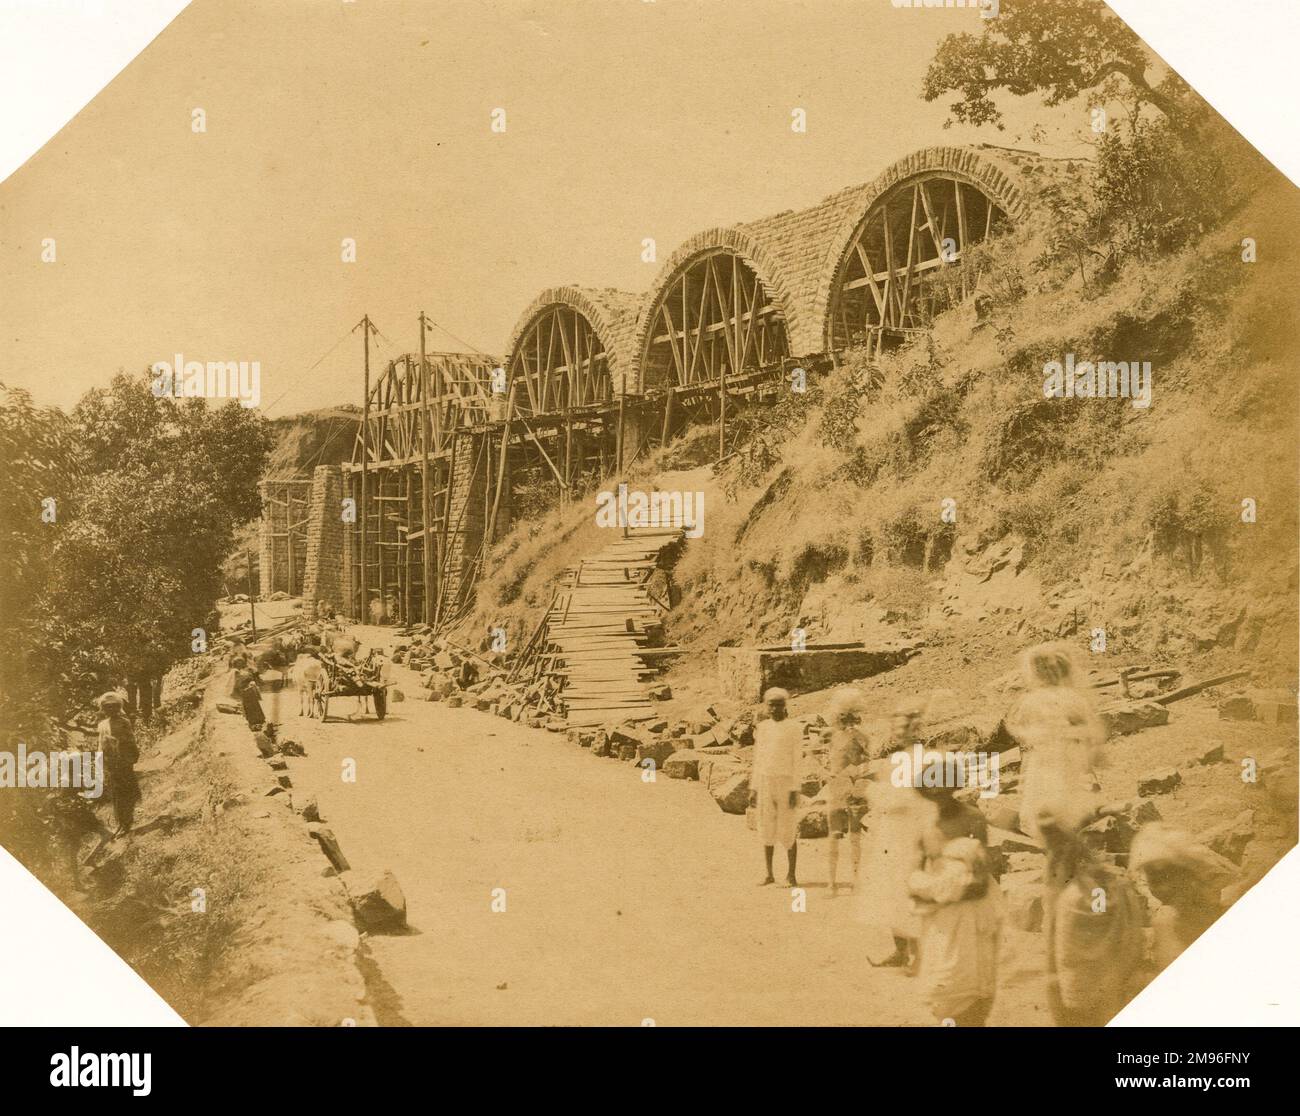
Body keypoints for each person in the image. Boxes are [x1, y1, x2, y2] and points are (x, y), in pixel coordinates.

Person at [907, 777, 1003, 1026]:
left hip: (974, 908)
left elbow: (982, 877)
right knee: (943, 983)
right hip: (940, 913)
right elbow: (913, 872)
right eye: (930, 792)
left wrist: (951, 890)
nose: (937, 796)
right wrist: (931, 889)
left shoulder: (973, 817)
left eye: (943, 790)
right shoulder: (923, 823)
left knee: (973, 981)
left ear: (952, 788)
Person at [1130, 823, 1233, 973]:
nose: (1161, 888)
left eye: (1169, 875)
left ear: (1192, 873)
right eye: (1153, 878)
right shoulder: (1164, 923)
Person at [749, 687, 802, 887]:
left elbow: (797, 760)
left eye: (779, 705)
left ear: (785, 706)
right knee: (766, 827)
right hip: (765, 782)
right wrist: (754, 788)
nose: (775, 709)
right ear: (766, 707)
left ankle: (791, 875)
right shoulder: (762, 728)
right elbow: (758, 759)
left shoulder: (794, 728)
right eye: (771, 705)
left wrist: (795, 789)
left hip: (786, 782)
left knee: (788, 827)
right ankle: (769, 874)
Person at [824, 688, 869, 896]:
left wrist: (856, 775)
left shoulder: (862, 737)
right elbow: (820, 757)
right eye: (841, 716)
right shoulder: (831, 737)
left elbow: (867, 761)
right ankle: (831, 882)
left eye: (849, 716)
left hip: (855, 788)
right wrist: (827, 773)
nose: (845, 720)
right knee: (833, 835)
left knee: (855, 836)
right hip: (835, 788)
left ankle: (856, 881)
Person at [96, 692, 140, 837]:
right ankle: (120, 822)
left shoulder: (123, 722)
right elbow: (100, 745)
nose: (111, 709)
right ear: (103, 708)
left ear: (119, 707)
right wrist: (100, 761)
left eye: (114, 706)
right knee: (116, 794)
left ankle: (126, 822)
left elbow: (131, 740)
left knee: (126, 792)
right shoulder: (102, 725)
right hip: (111, 763)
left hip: (124, 762)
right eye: (107, 707)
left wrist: (133, 755)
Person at [230, 655, 266, 731]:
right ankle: (253, 723)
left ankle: (258, 722)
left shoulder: (243, 670)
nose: (240, 664)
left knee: (254, 705)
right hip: (244, 691)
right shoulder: (235, 671)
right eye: (238, 662)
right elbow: (236, 683)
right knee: (249, 708)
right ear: (235, 663)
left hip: (249, 690)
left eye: (241, 662)